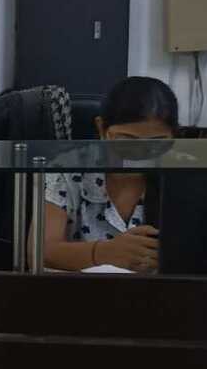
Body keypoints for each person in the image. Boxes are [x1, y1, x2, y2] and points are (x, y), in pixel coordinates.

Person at [41, 76, 178, 272]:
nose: (140, 152)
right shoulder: (68, 169)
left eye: (156, 141)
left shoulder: (183, 171)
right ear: (101, 128)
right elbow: (41, 250)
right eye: (127, 139)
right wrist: (103, 253)